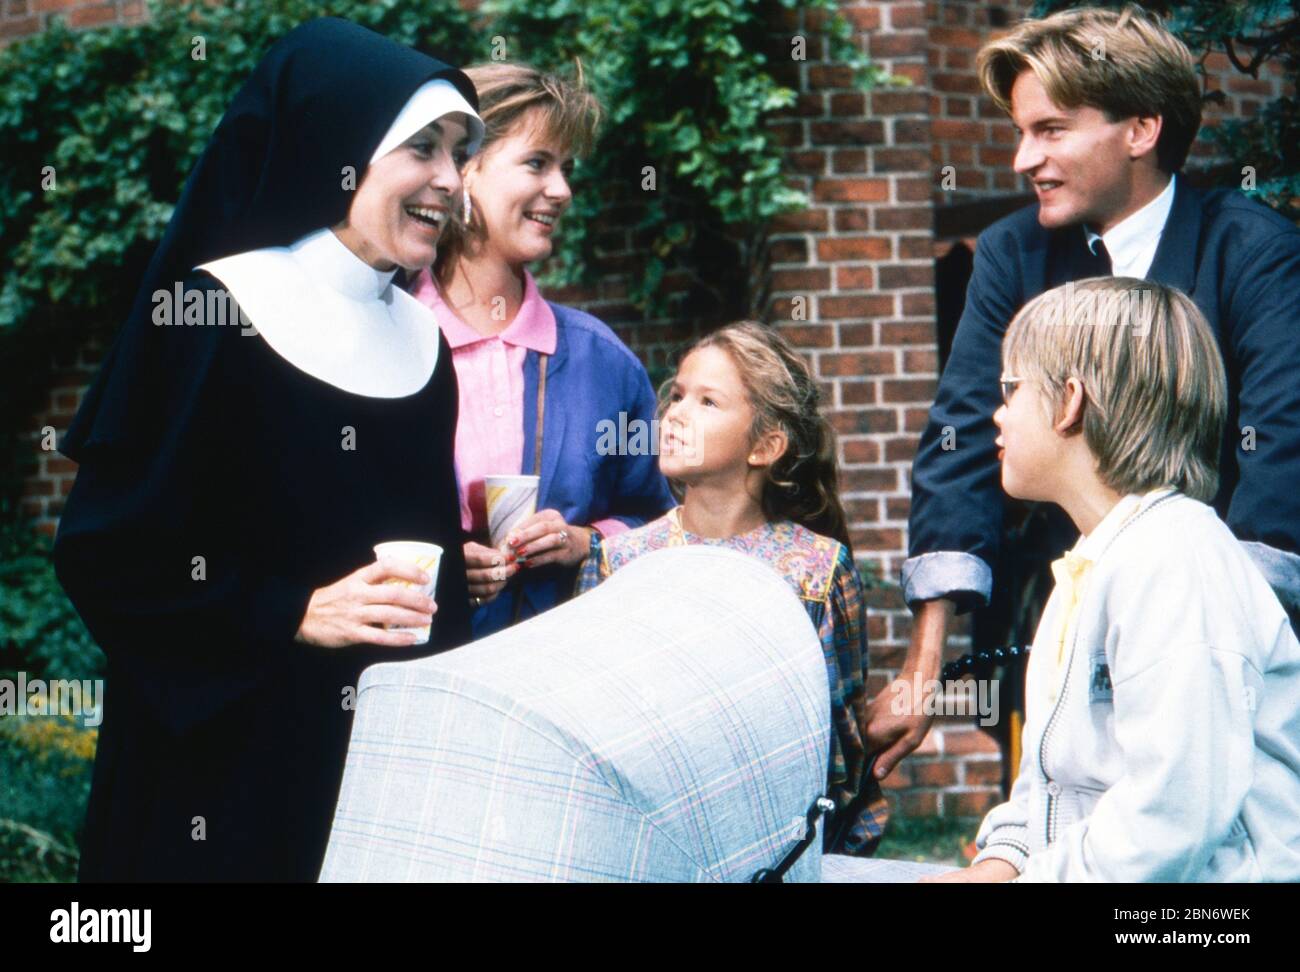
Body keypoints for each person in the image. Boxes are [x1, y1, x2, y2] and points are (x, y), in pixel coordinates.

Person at [53, 18, 485, 881]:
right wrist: (288, 610)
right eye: (424, 148)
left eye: (462, 153)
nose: (452, 180)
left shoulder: (424, 343)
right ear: (341, 147)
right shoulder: (215, 311)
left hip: (371, 778)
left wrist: (461, 573)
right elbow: (109, 551)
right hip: (218, 777)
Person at [880, 3, 1300, 781]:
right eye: (1019, 132)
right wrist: (924, 659)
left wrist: (1222, 650)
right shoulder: (1012, 252)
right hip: (1054, 613)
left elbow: (1282, 449)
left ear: (1139, 130)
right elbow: (965, 429)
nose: (1021, 159)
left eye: (1050, 130)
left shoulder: (1253, 252)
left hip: (1215, 629)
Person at [925, 277, 1300, 882]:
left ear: (1069, 402)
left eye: (1010, 388)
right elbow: (1049, 783)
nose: (996, 412)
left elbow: (1171, 818)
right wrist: (998, 863)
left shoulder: (1177, 561)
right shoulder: (1092, 564)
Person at [577, 322, 889, 855]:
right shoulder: (619, 562)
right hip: (650, 846)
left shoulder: (815, 572)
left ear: (766, 445)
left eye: (707, 402)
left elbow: (841, 750)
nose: (675, 414)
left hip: (776, 848)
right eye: (676, 395)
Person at [410, 62, 673, 639]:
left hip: (571, 678)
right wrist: (443, 564)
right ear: (466, 171)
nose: (562, 190)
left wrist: (587, 542)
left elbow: (666, 522)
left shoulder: (602, 360)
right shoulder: (388, 341)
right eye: (537, 163)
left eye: (565, 169)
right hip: (422, 681)